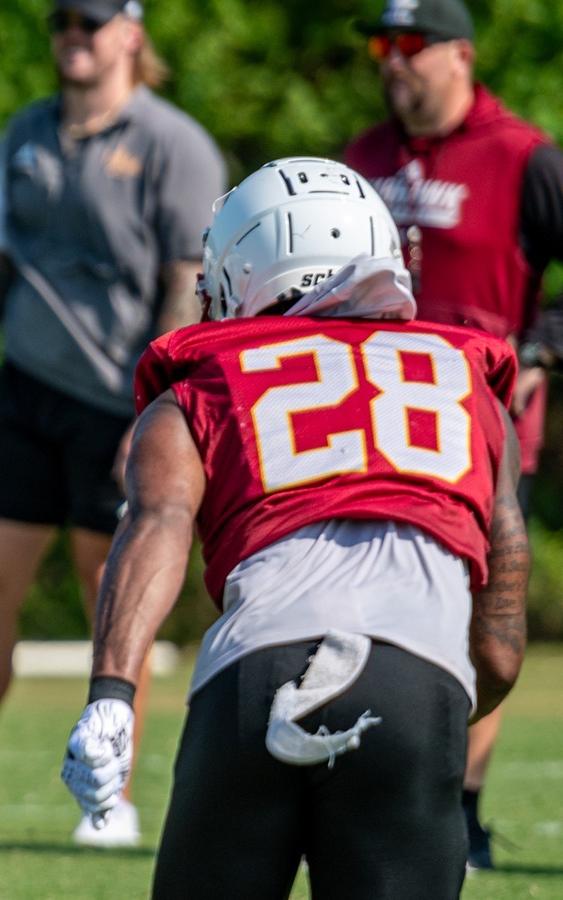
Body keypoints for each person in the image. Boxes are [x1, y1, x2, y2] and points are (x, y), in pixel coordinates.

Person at [61, 157, 529, 899]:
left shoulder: (203, 382)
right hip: (418, 682)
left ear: (249, 266)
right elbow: (500, 643)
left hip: (253, 677)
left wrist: (112, 693)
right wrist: (430, 703)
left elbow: (156, 525)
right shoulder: (465, 381)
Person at [0, 0, 224, 848]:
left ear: (131, 33)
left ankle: (111, 796)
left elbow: (187, 281)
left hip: (121, 404)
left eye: (90, 21)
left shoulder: (175, 145)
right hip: (25, 394)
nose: (72, 34)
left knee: (113, 594)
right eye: (61, 20)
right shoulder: (23, 132)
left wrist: (155, 407)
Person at [343, 0, 563, 870]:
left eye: (409, 44)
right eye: (380, 44)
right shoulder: (361, 158)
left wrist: (543, 345)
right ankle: (362, 789)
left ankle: (457, 808)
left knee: (475, 611)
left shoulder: (523, 156)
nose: (391, 61)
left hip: (481, 429)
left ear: (461, 54)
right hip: (367, 425)